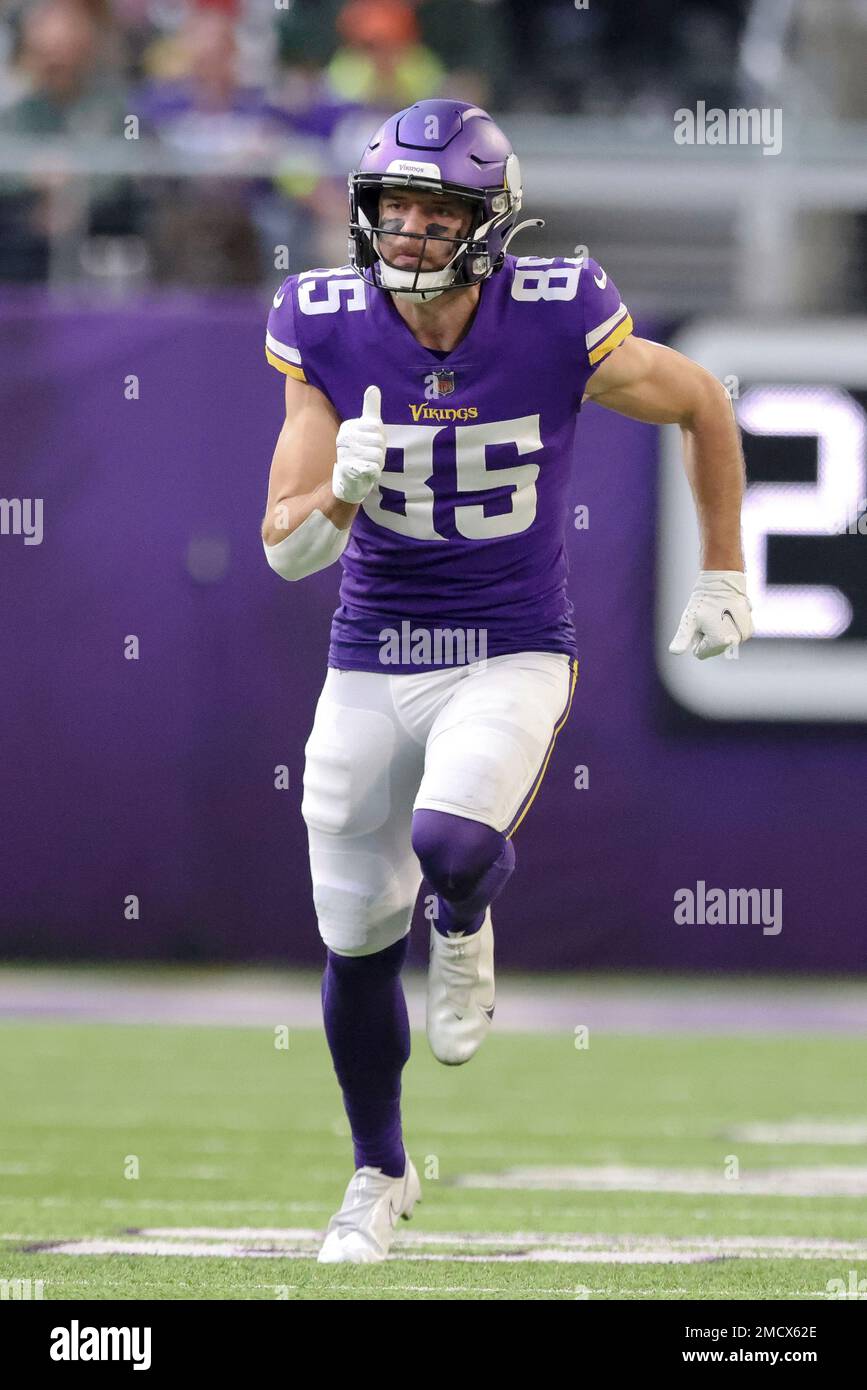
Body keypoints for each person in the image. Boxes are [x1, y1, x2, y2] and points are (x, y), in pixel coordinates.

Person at [260, 98, 753, 1263]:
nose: (412, 232)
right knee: (354, 930)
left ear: (489, 224)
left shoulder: (556, 311)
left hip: (509, 640)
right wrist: (342, 487)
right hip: (373, 648)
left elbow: (701, 400)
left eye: (438, 211)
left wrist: (727, 570)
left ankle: (470, 923)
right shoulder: (321, 323)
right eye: (395, 207)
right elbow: (286, 548)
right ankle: (378, 1171)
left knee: (451, 842)